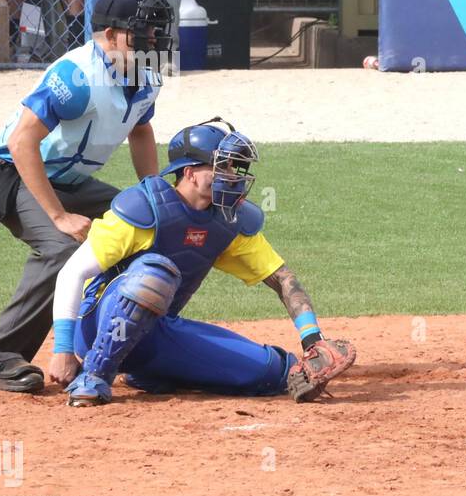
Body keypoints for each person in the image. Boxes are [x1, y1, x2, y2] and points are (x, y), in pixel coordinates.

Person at [48, 120, 357, 407]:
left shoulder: (228, 221)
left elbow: (283, 279)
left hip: (153, 335)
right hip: (96, 328)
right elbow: (71, 273)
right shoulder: (143, 210)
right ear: (190, 172)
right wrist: (62, 350)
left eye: (235, 168)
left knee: (276, 371)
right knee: (154, 272)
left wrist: (312, 340)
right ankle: (94, 377)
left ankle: (154, 372)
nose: (233, 176)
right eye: (221, 167)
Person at [0, 0, 173, 393]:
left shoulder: (145, 76)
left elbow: (142, 129)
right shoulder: (76, 76)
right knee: (61, 249)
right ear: (111, 35)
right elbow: (22, 141)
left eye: (155, 35)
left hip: (73, 182)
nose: (153, 43)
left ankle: (116, 348)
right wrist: (59, 216)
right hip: (15, 175)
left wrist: (151, 193)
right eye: (143, 35)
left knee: (146, 227)